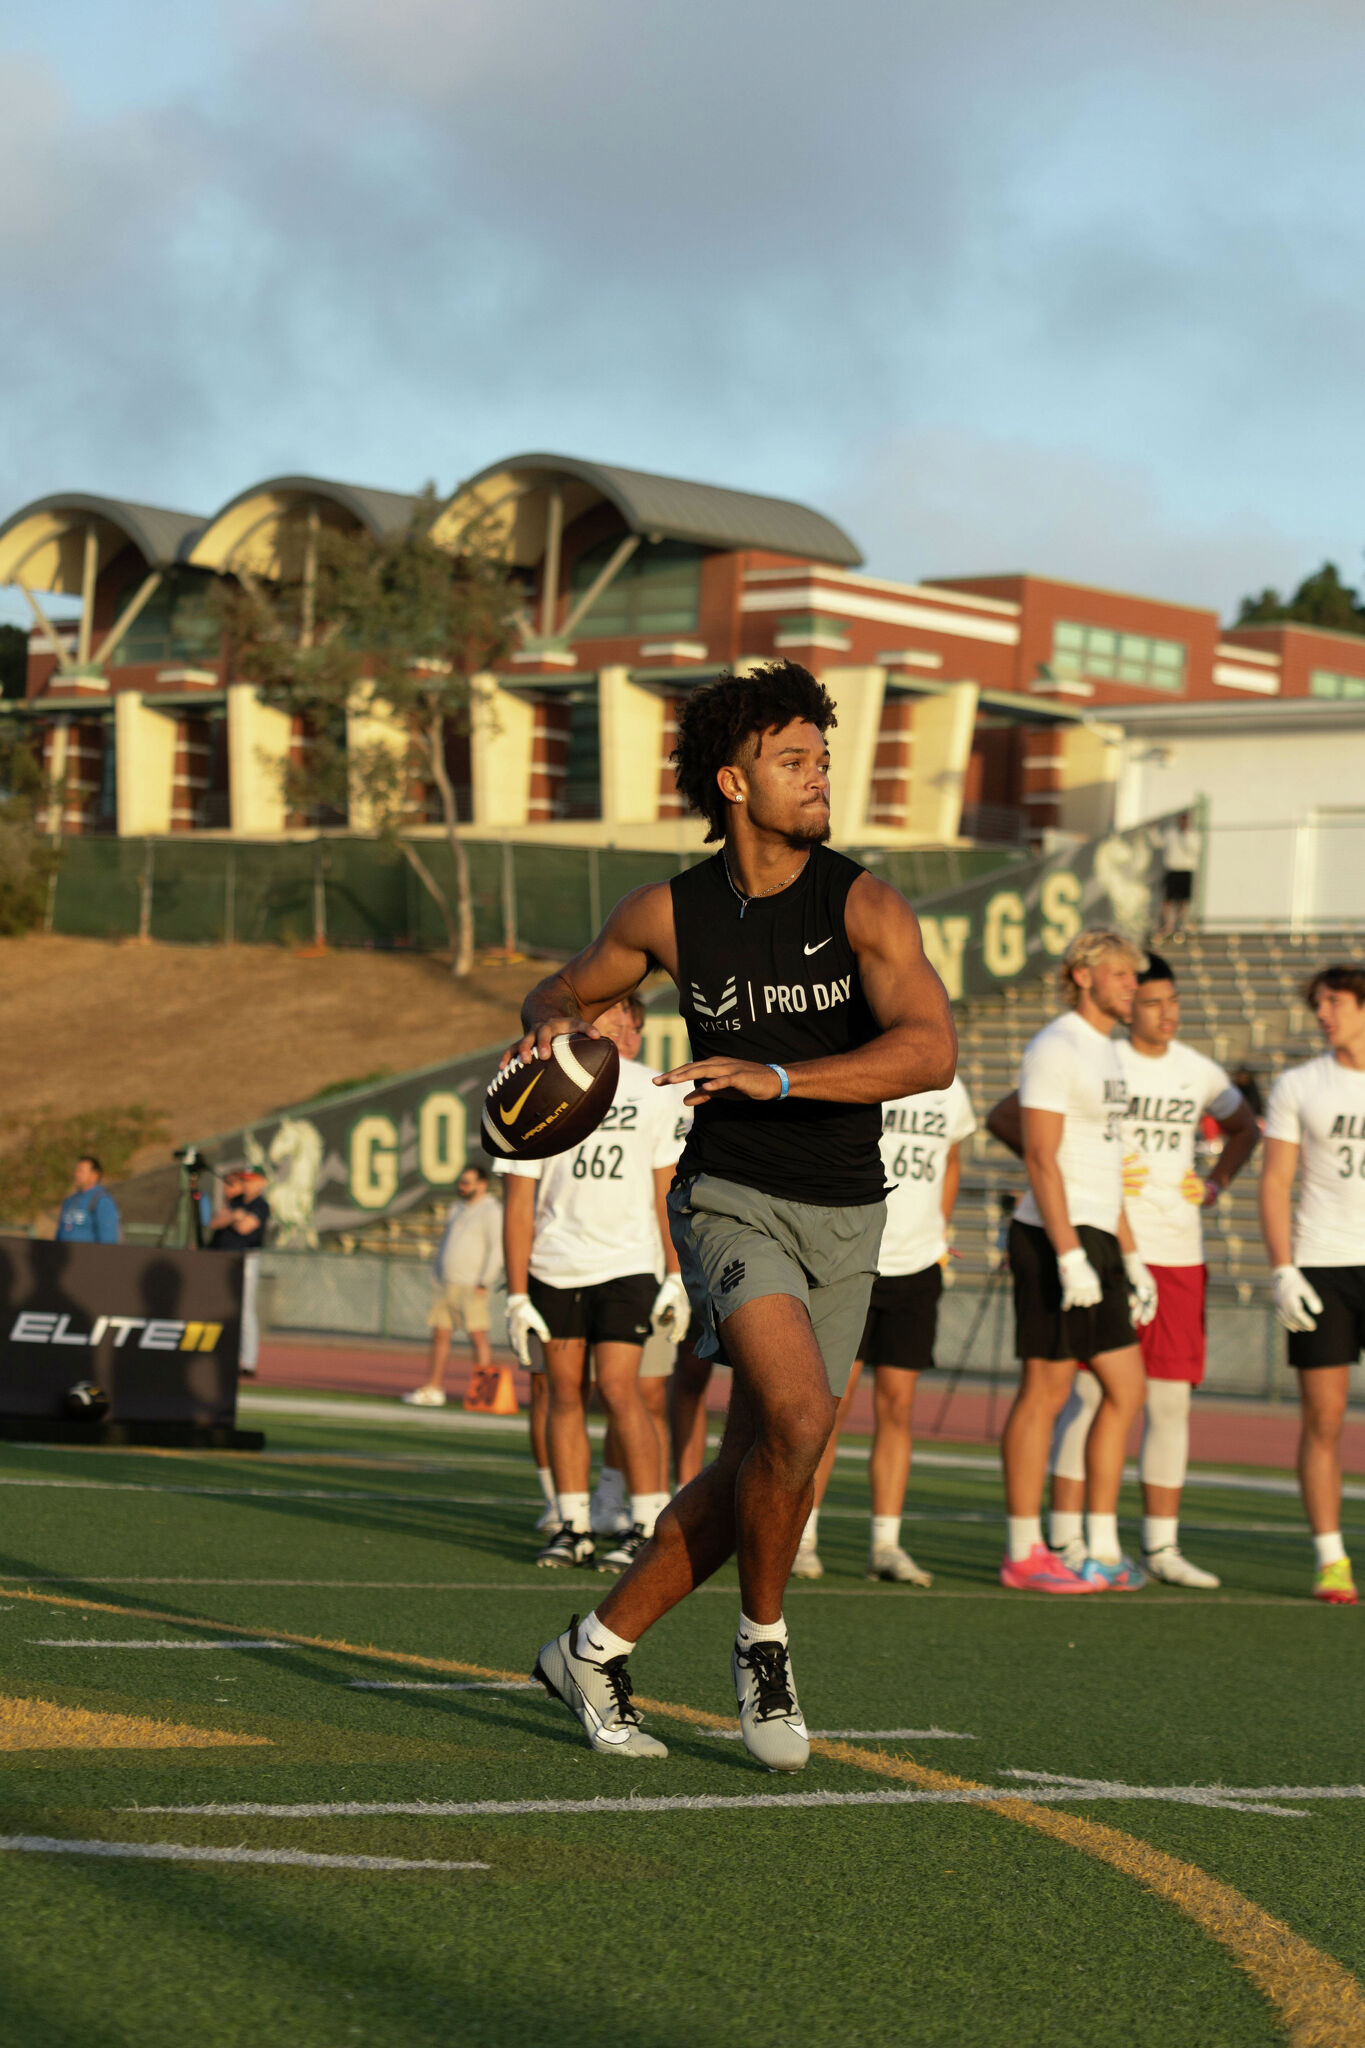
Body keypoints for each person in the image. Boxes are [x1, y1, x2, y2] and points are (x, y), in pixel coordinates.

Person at [512, 661, 955, 1769]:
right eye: (794, 761)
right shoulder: (666, 912)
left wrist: (784, 1075)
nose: (818, 778)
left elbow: (931, 1049)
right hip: (729, 1197)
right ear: (734, 780)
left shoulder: (863, 901)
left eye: (823, 759)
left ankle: (594, 1644)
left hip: (851, 1208)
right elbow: (560, 991)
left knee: (773, 1460)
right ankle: (765, 1646)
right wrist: (548, 1037)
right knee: (798, 1418)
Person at [1043, 954, 1259, 1587]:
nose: (1167, 1012)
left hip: (1179, 1255)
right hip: (1107, 1245)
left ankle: (1161, 1547)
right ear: (1128, 1002)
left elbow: (1246, 1128)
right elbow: (1028, 1124)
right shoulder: (1098, 1058)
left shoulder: (1198, 1071)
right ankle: (1064, 1532)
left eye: (1173, 1000)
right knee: (1088, 1394)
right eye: (1153, 999)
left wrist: (1216, 1184)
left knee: (1168, 1403)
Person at [499, 995, 691, 1573]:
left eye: (616, 1012)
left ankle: (645, 1523)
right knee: (562, 1392)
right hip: (557, 1261)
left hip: (629, 1260)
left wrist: (676, 1275)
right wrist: (514, 1292)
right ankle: (571, 1523)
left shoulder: (650, 1086)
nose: (605, 1021)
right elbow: (518, 1200)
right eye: (596, 1010)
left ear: (632, 1024)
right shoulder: (534, 1080)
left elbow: (667, 1187)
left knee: (619, 1387)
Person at [991, 928, 1155, 1593]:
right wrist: (1067, 1253)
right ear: (1083, 975)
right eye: (1121, 974)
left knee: (1126, 1389)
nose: (1132, 987)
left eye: (1134, 977)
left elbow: (1103, 1164)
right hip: (1054, 1239)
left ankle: (1098, 1545)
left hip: (1100, 1237)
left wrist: (1132, 1259)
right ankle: (1023, 1550)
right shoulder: (1055, 1044)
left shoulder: (1108, 1053)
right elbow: (1039, 1156)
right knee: (1045, 1390)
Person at [794, 1073, 977, 1584]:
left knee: (898, 1405)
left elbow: (953, 1158)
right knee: (831, 1403)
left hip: (917, 1265)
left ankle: (886, 1544)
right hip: (854, 1256)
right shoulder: (871, 1072)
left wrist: (939, 1232)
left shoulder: (951, 1087)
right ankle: (802, 1536)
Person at [1259, 964, 1365, 1605]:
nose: (1323, 1012)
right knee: (1323, 1418)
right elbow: (1275, 1182)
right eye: (1317, 1003)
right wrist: (1282, 1267)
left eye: (1335, 1001)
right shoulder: (1300, 1083)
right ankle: (1332, 1559)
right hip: (1323, 1264)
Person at [403, 1162, 502, 1408]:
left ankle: (484, 1393)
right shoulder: (457, 1208)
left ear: (482, 1185)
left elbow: (496, 1248)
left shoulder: (491, 1211)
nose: (462, 1187)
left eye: (467, 1182)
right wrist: (437, 1272)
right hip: (448, 1283)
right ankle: (434, 1388)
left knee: (478, 1337)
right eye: (461, 1182)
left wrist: (485, 1280)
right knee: (439, 1335)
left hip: (472, 1284)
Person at [208, 1163, 271, 1376]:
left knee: (244, 1311)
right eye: (244, 1180)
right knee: (219, 1307)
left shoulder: (260, 1205)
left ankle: (248, 1361)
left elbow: (245, 1227)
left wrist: (234, 1217)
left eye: (250, 1180)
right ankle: (222, 1354)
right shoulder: (235, 1201)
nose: (246, 1184)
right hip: (223, 1257)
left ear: (261, 1182)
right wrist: (235, 1215)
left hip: (246, 1258)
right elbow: (215, 1222)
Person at [1156, 810, 1200, 940]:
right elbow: (1159, 843)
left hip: (1186, 870)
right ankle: (1168, 925)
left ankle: (1181, 925)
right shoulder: (1170, 833)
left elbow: (1193, 850)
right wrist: (1153, 830)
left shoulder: (1193, 836)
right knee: (1168, 900)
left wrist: (1185, 835)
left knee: (1183, 901)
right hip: (1173, 869)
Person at [55, 1155, 121, 1243]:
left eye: (81, 1171)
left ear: (94, 1175)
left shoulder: (102, 1201)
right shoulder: (69, 1201)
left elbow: (108, 1240)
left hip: (87, 1255)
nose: (76, 1174)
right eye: (76, 1170)